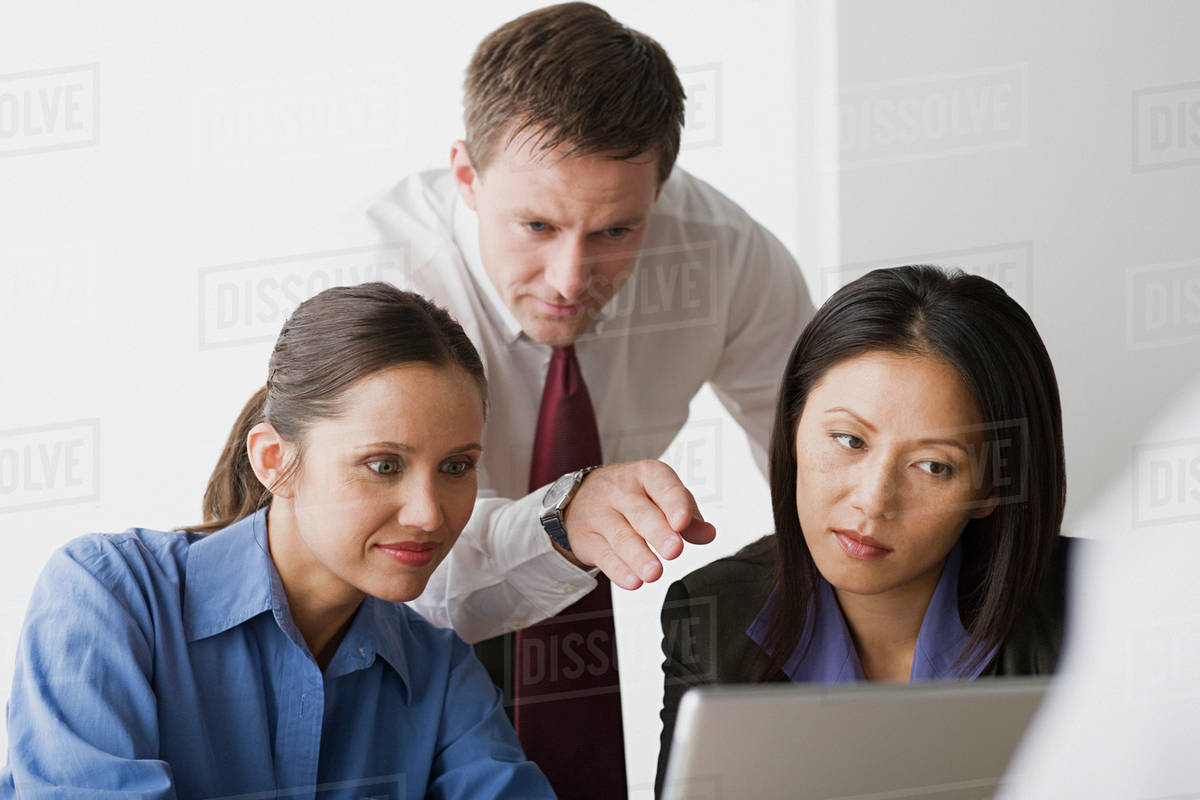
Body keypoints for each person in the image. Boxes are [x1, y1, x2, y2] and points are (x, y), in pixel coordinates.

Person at [367, 3, 814, 797]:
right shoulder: (385, 283)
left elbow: (819, 458)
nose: (572, 279)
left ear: (661, 191)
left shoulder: (724, 255)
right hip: (389, 650)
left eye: (615, 232)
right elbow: (388, 568)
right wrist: (558, 519)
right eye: (536, 225)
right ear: (466, 176)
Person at [0, 284, 554, 799]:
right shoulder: (105, 595)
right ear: (274, 461)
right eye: (384, 465)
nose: (428, 513)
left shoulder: (441, 673)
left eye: (456, 466)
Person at [655, 265, 1073, 797]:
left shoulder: (1108, 605)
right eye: (849, 440)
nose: (872, 501)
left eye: (934, 466)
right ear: (791, 426)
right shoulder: (713, 613)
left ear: (993, 489)